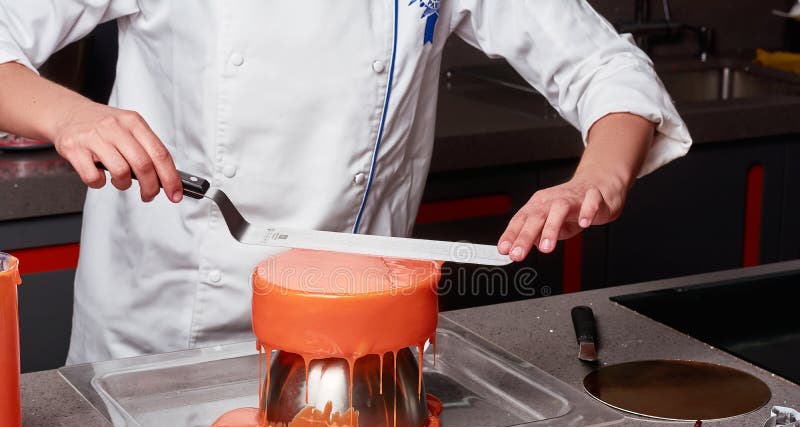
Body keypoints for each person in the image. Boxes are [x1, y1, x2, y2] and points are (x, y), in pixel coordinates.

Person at [0, 1, 691, 363]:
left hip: (358, 342)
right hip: (163, 339)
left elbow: (604, 65)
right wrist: (68, 114)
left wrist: (595, 176)